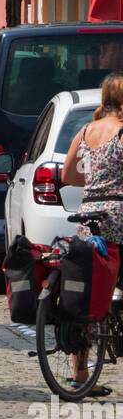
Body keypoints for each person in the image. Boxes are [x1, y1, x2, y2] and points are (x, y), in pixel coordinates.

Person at [60, 72, 123, 395]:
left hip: (89, 215)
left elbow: (67, 174)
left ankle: (80, 374)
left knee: (87, 285)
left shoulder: (85, 131)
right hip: (118, 213)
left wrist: (96, 183)